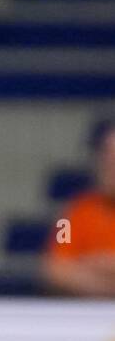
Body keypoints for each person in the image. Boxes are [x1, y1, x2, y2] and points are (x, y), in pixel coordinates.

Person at [42, 118, 115, 297]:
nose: (109, 166)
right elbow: (55, 269)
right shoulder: (73, 214)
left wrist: (92, 265)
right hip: (87, 317)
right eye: (105, 156)